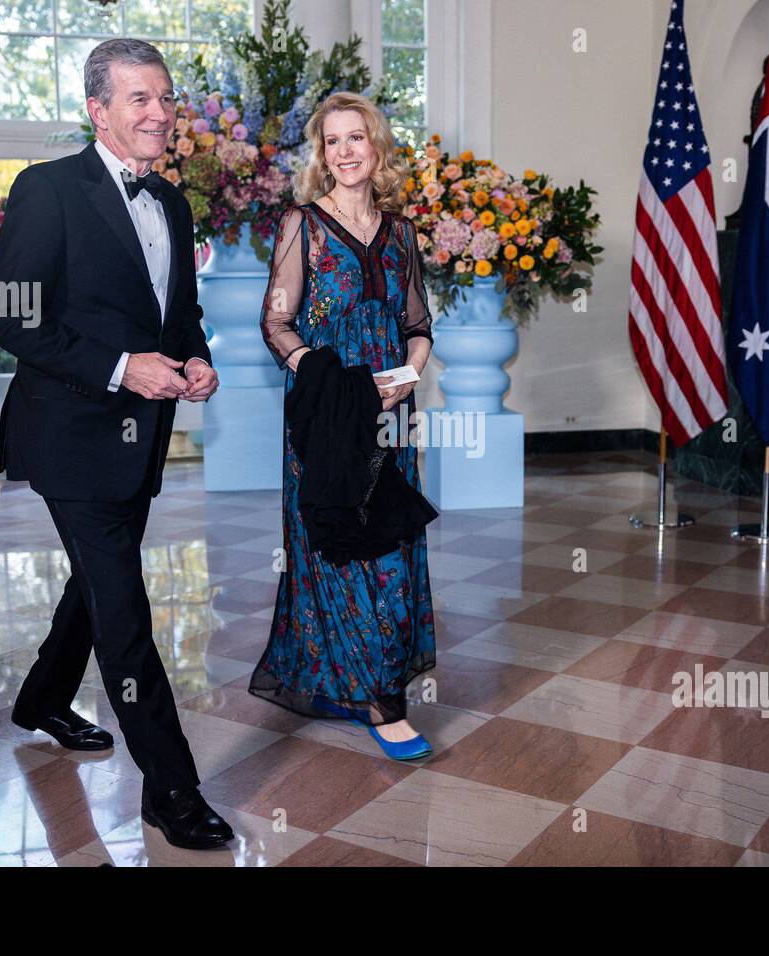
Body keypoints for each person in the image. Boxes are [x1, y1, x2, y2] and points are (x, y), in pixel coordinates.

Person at [0, 38, 235, 850]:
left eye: (166, 97)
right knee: (125, 611)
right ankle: (172, 789)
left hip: (143, 435)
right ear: (98, 110)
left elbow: (178, 315)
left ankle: (41, 701)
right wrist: (124, 369)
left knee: (99, 584)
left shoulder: (172, 200)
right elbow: (14, 318)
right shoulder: (45, 190)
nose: (161, 112)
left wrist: (194, 359)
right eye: (140, 99)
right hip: (68, 435)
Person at [249, 92, 438, 761]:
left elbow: (418, 327)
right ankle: (379, 702)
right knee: (336, 542)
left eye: (356, 138)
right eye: (332, 141)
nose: (344, 152)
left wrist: (406, 378)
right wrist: (323, 378)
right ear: (321, 153)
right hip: (329, 415)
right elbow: (275, 322)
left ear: (376, 145)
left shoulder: (402, 233)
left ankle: (363, 679)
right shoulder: (301, 224)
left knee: (387, 538)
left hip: (390, 413)